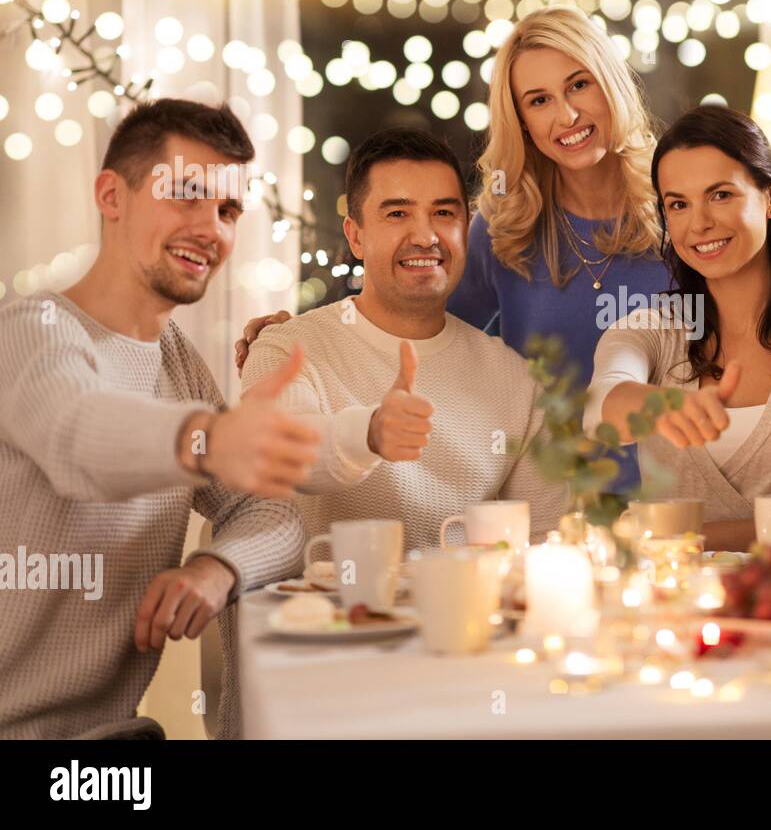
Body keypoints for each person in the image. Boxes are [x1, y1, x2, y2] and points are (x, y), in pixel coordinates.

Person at [0, 99, 317, 739]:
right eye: (187, 196)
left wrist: (217, 567)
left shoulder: (177, 362)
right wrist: (206, 438)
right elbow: (78, 438)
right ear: (112, 196)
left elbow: (276, 516)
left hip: (108, 742)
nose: (212, 229)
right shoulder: (29, 332)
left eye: (227, 210)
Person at [240, 128, 569, 547]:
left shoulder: (518, 382)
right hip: (321, 610)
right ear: (355, 236)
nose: (425, 236)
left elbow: (543, 539)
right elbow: (284, 454)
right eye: (397, 214)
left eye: (444, 213)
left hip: (462, 609)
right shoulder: (285, 348)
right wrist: (371, 432)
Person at [584, 105, 771, 551]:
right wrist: (659, 405)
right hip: (673, 612)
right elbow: (599, 413)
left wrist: (677, 536)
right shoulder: (648, 330)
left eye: (720, 195)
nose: (699, 223)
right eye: (679, 205)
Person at [446, 6, 672, 491]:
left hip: (677, 505)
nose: (566, 115)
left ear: (609, 83)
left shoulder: (679, 208)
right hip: (547, 508)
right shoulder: (502, 228)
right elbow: (425, 335)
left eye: (578, 85)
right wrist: (308, 334)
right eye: (539, 100)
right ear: (521, 119)